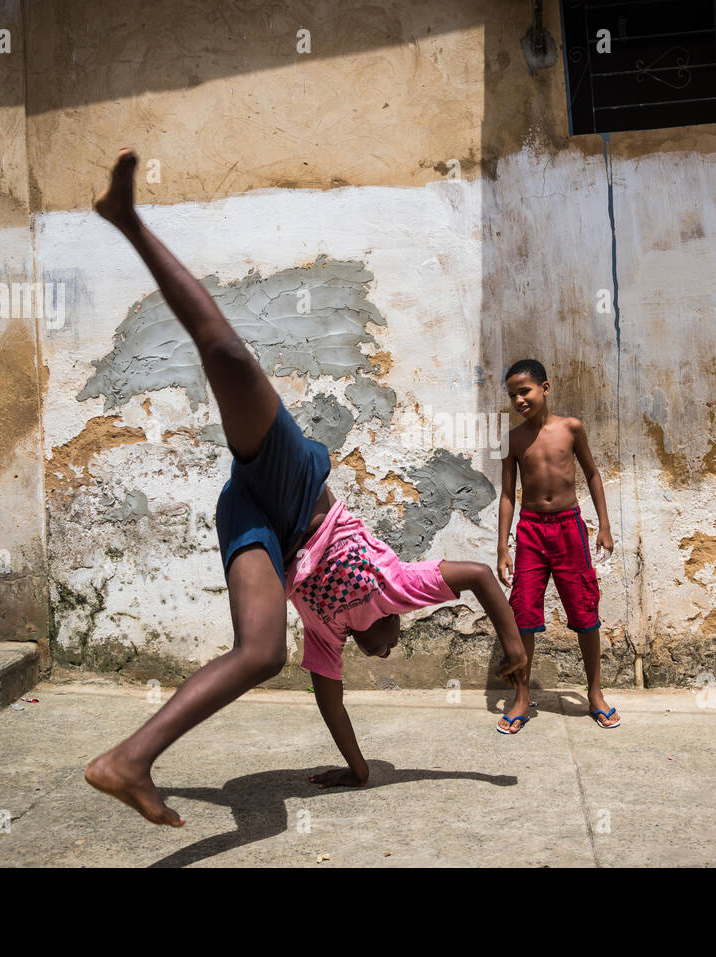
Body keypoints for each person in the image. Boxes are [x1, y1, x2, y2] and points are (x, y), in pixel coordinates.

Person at [83, 149, 527, 825]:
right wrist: (515, 644)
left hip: (252, 520)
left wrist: (358, 770)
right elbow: (477, 577)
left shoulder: (327, 636)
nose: (389, 650)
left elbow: (331, 704)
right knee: (230, 357)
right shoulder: (395, 588)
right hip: (289, 486)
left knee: (263, 652)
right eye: (394, 643)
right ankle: (130, 221)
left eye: (384, 651)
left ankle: (128, 759)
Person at [496, 359, 619, 733]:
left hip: (569, 529)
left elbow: (593, 474)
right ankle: (521, 696)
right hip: (531, 532)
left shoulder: (571, 428)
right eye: (513, 395)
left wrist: (604, 526)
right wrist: (503, 546)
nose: (519, 399)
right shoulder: (514, 440)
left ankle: (595, 692)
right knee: (524, 614)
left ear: (545, 389)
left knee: (584, 611)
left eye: (525, 391)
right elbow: (506, 494)